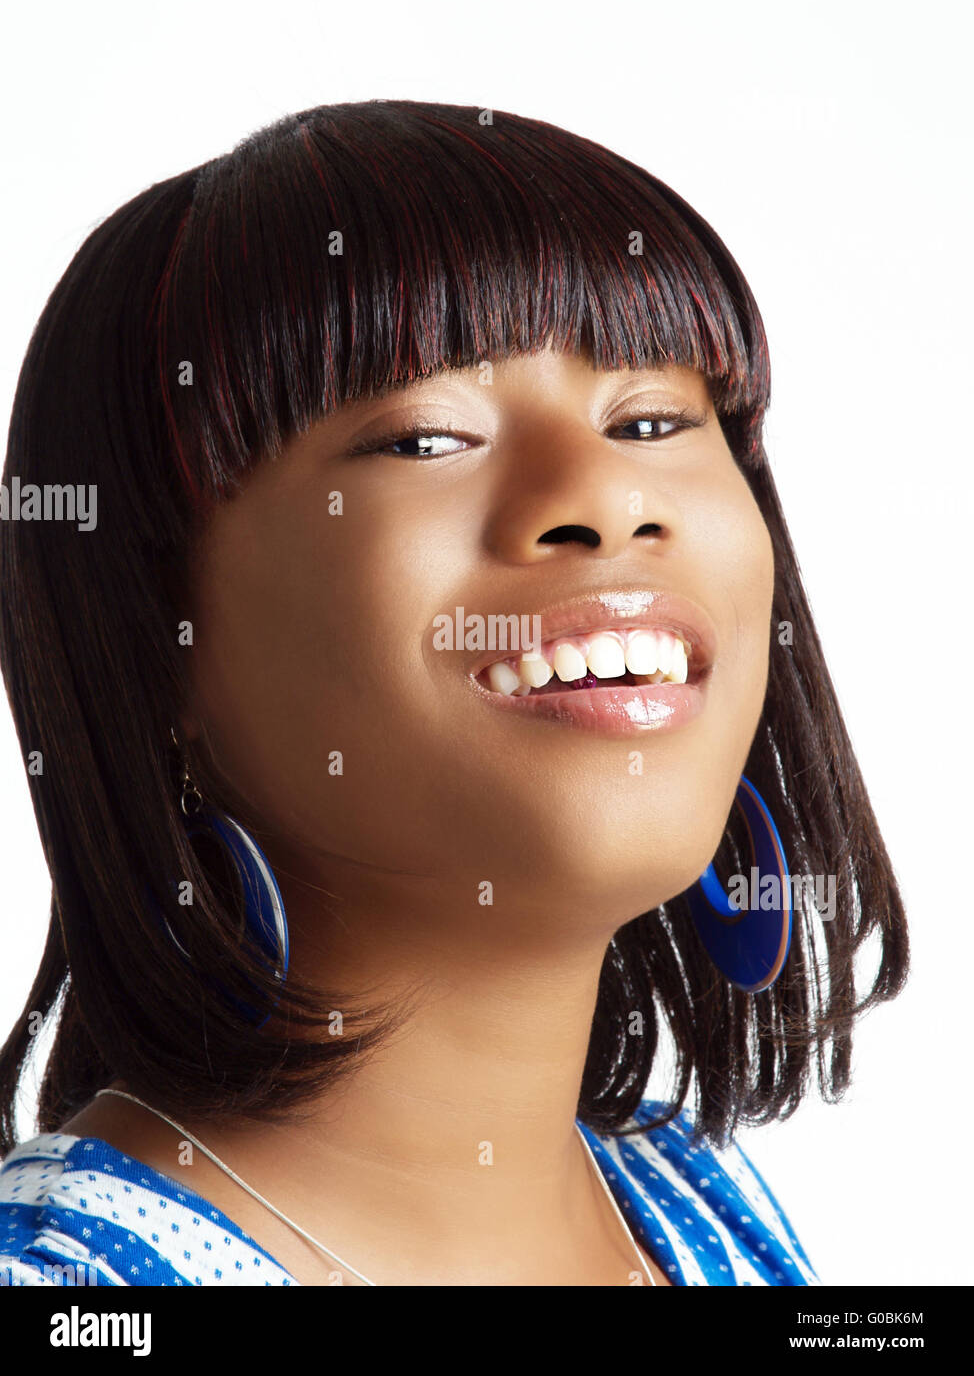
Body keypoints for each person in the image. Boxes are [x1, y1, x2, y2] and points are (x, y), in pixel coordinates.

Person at [0, 100, 908, 1286]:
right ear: (160, 639)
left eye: (650, 419)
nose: (603, 495)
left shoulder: (699, 1205)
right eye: (423, 438)